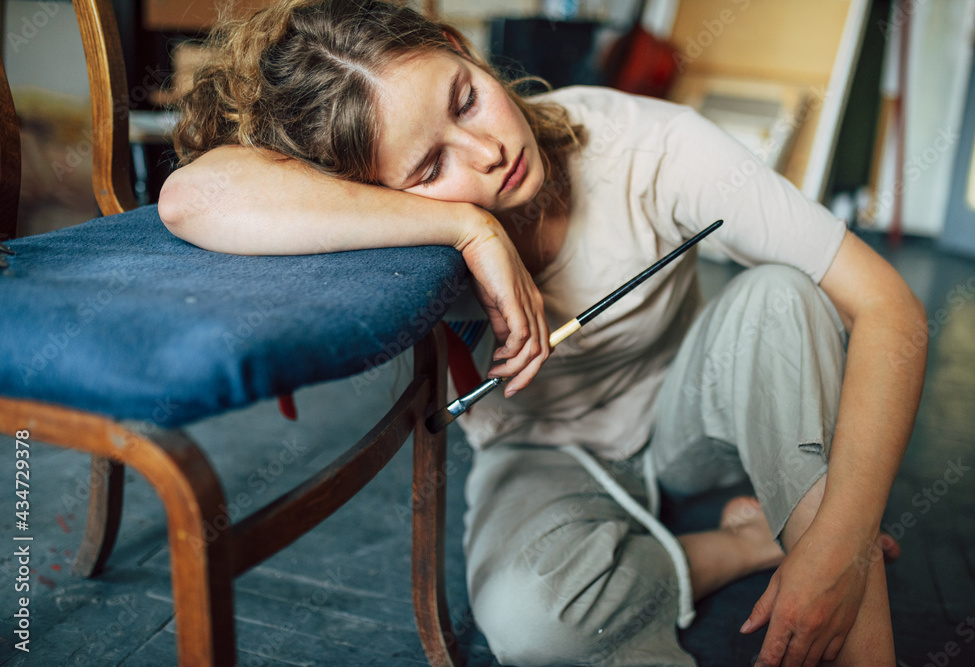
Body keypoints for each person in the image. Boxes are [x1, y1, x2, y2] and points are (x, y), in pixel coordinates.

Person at [158, 1, 927, 665]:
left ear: (461, 49)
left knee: (782, 298)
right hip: (538, 454)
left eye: (466, 100)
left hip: (687, 428)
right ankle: (742, 546)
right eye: (429, 168)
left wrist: (841, 542)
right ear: (368, 194)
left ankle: (828, 577)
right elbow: (191, 198)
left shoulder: (653, 147)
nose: (489, 152)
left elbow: (888, 307)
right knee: (528, 619)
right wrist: (468, 228)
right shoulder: (392, 230)